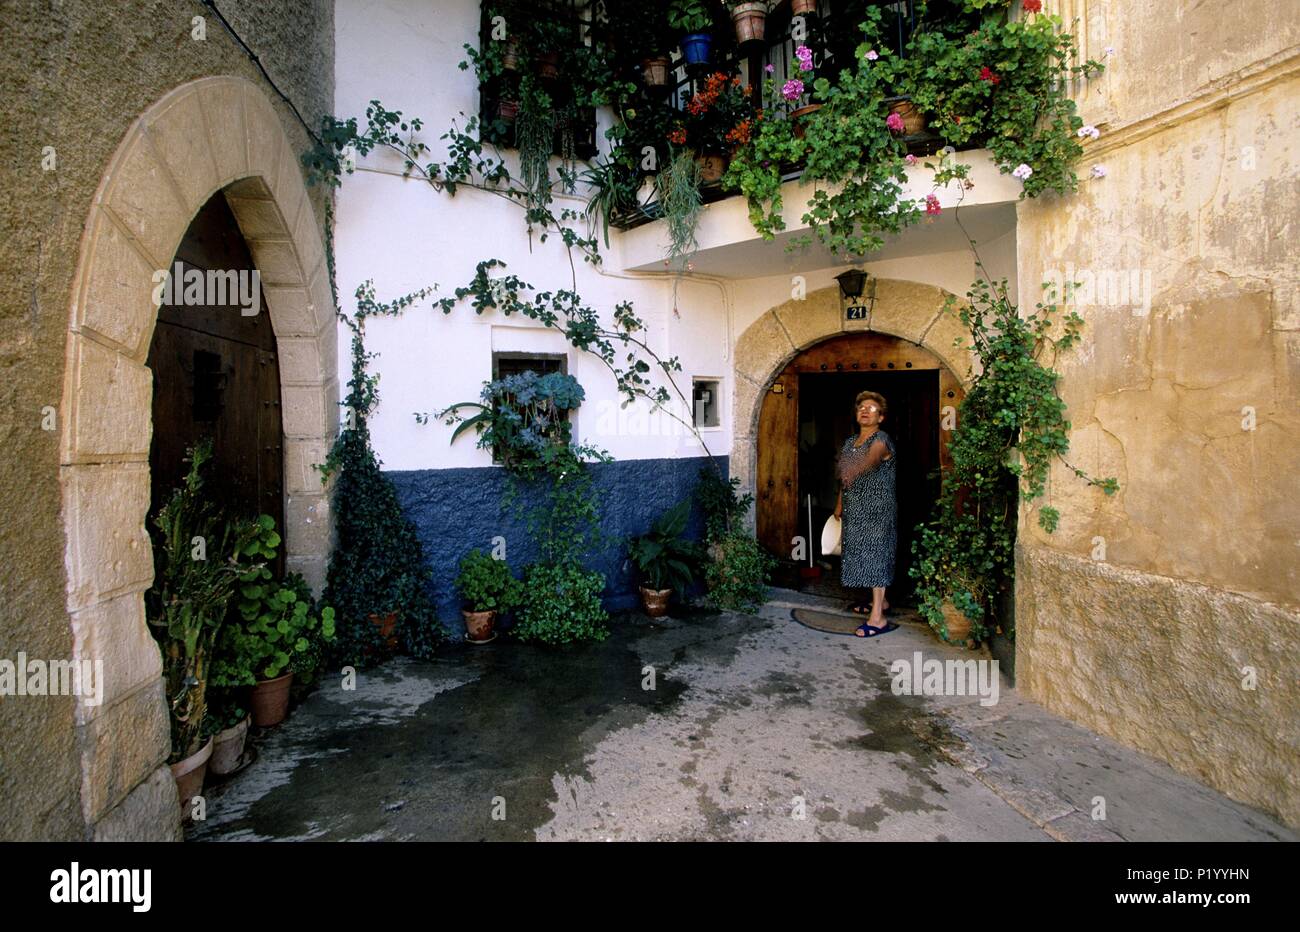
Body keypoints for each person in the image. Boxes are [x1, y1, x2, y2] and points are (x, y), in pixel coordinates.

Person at [834, 391, 898, 637]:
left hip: (877, 510)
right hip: (855, 508)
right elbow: (845, 479)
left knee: (877, 556)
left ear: (880, 417)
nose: (865, 410)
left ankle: (878, 619)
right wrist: (840, 503)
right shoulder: (850, 442)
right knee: (861, 553)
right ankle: (879, 602)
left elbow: (869, 461)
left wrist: (847, 469)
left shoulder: (881, 439)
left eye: (872, 408)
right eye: (861, 406)